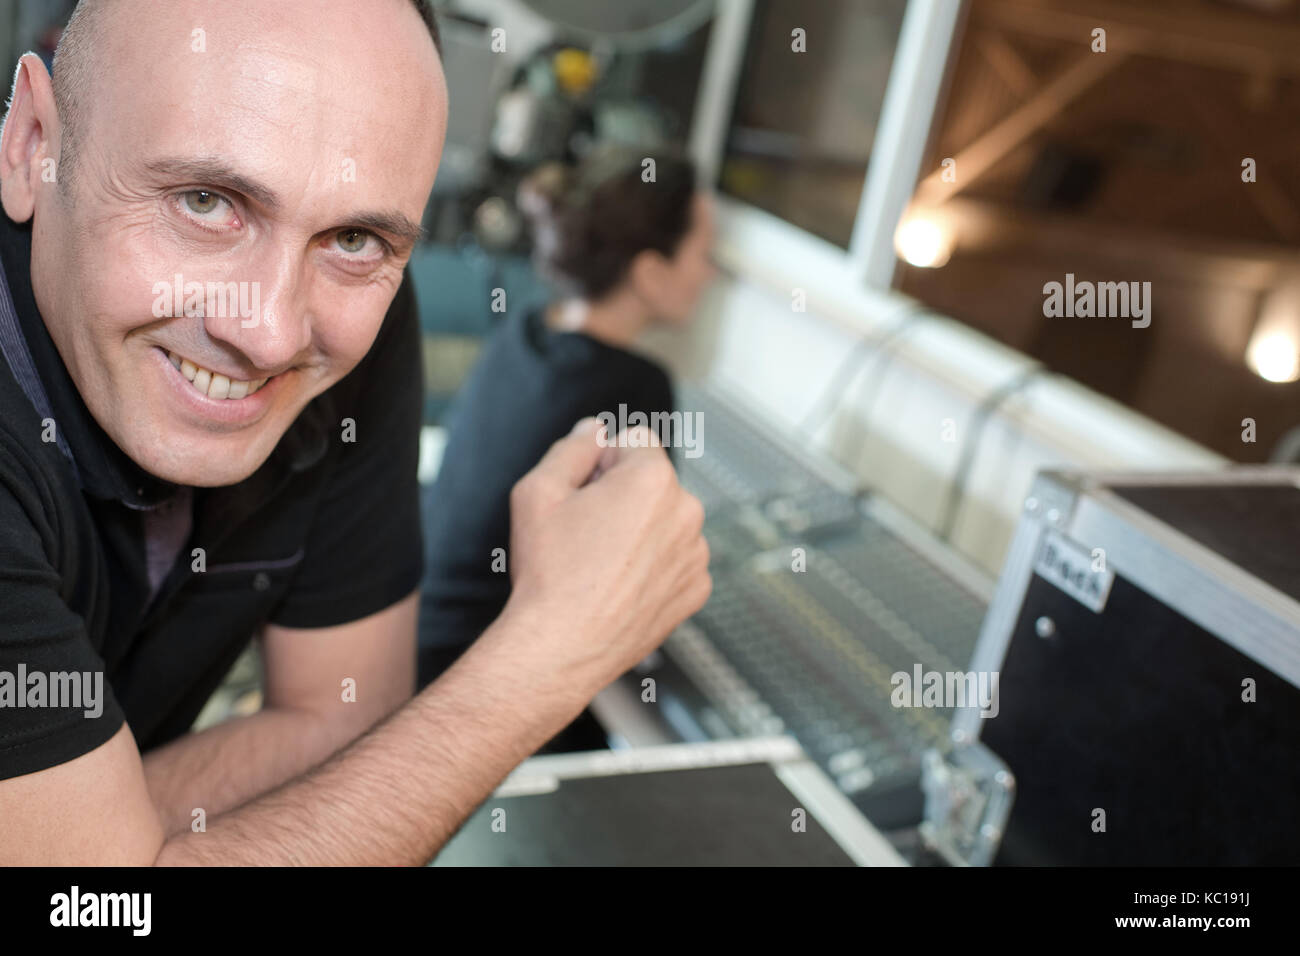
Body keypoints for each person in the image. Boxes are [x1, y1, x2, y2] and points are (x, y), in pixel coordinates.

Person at [0, 0, 710, 865]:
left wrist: (88, 827)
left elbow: (345, 712)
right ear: (34, 144)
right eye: (203, 200)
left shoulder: (352, 334)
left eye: (351, 236)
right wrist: (549, 653)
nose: (267, 331)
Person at [418, 151, 716, 688]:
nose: (710, 274)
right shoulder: (635, 384)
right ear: (650, 272)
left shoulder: (527, 330)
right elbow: (643, 562)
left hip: (415, 631)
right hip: (472, 670)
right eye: (703, 255)